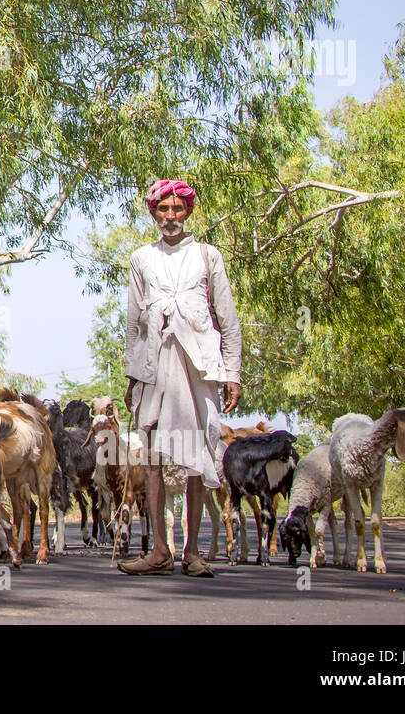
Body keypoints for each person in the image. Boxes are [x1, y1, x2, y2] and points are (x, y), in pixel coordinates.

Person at [117, 179, 241, 576]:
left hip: (199, 365)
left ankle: (193, 552)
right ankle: (158, 550)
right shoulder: (141, 259)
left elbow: (227, 317)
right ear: (153, 213)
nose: (170, 216)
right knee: (152, 454)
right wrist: (133, 374)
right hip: (154, 364)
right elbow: (134, 322)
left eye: (177, 209)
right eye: (163, 209)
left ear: (188, 212)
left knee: (196, 453)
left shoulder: (208, 257)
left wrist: (232, 372)